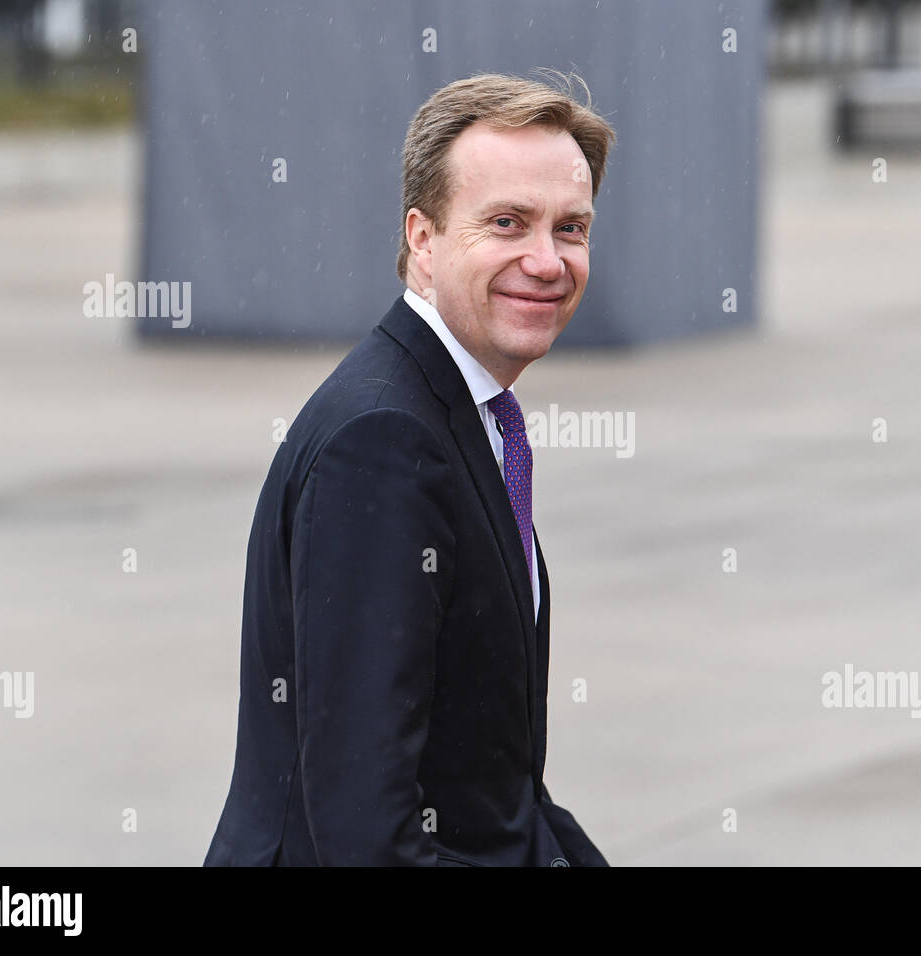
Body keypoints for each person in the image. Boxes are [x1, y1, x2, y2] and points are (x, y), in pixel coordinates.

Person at [203, 70, 616, 866]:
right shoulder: (385, 441)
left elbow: (502, 791)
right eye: (506, 223)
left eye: (572, 229)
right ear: (422, 241)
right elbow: (367, 832)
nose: (547, 260)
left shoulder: (463, 411)